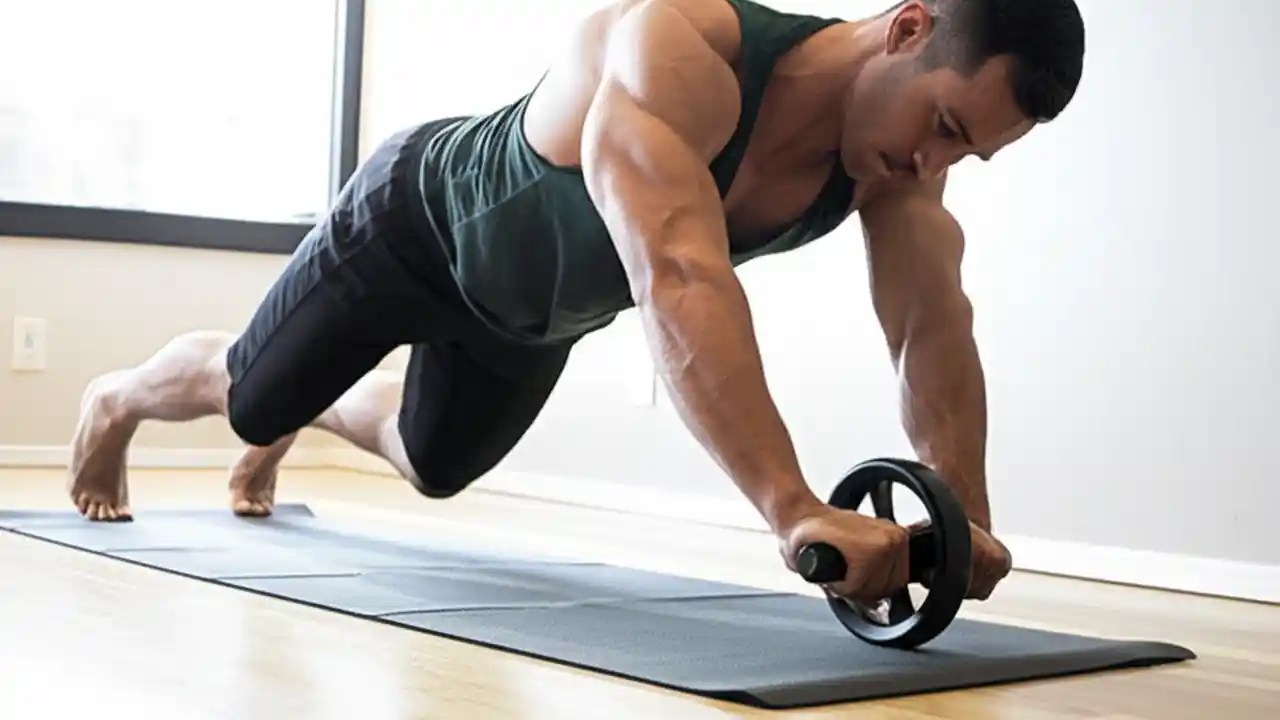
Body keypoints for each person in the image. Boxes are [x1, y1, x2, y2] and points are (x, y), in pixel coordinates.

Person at [66, 0, 1085, 605]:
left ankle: (307, 407)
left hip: (528, 316)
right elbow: (680, 280)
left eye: (966, 150)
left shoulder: (897, 167)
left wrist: (962, 521)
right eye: (944, 123)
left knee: (430, 467)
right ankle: (119, 399)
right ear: (906, 26)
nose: (932, 159)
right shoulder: (678, 45)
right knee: (248, 390)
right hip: (411, 226)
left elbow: (929, 331)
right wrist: (796, 511)